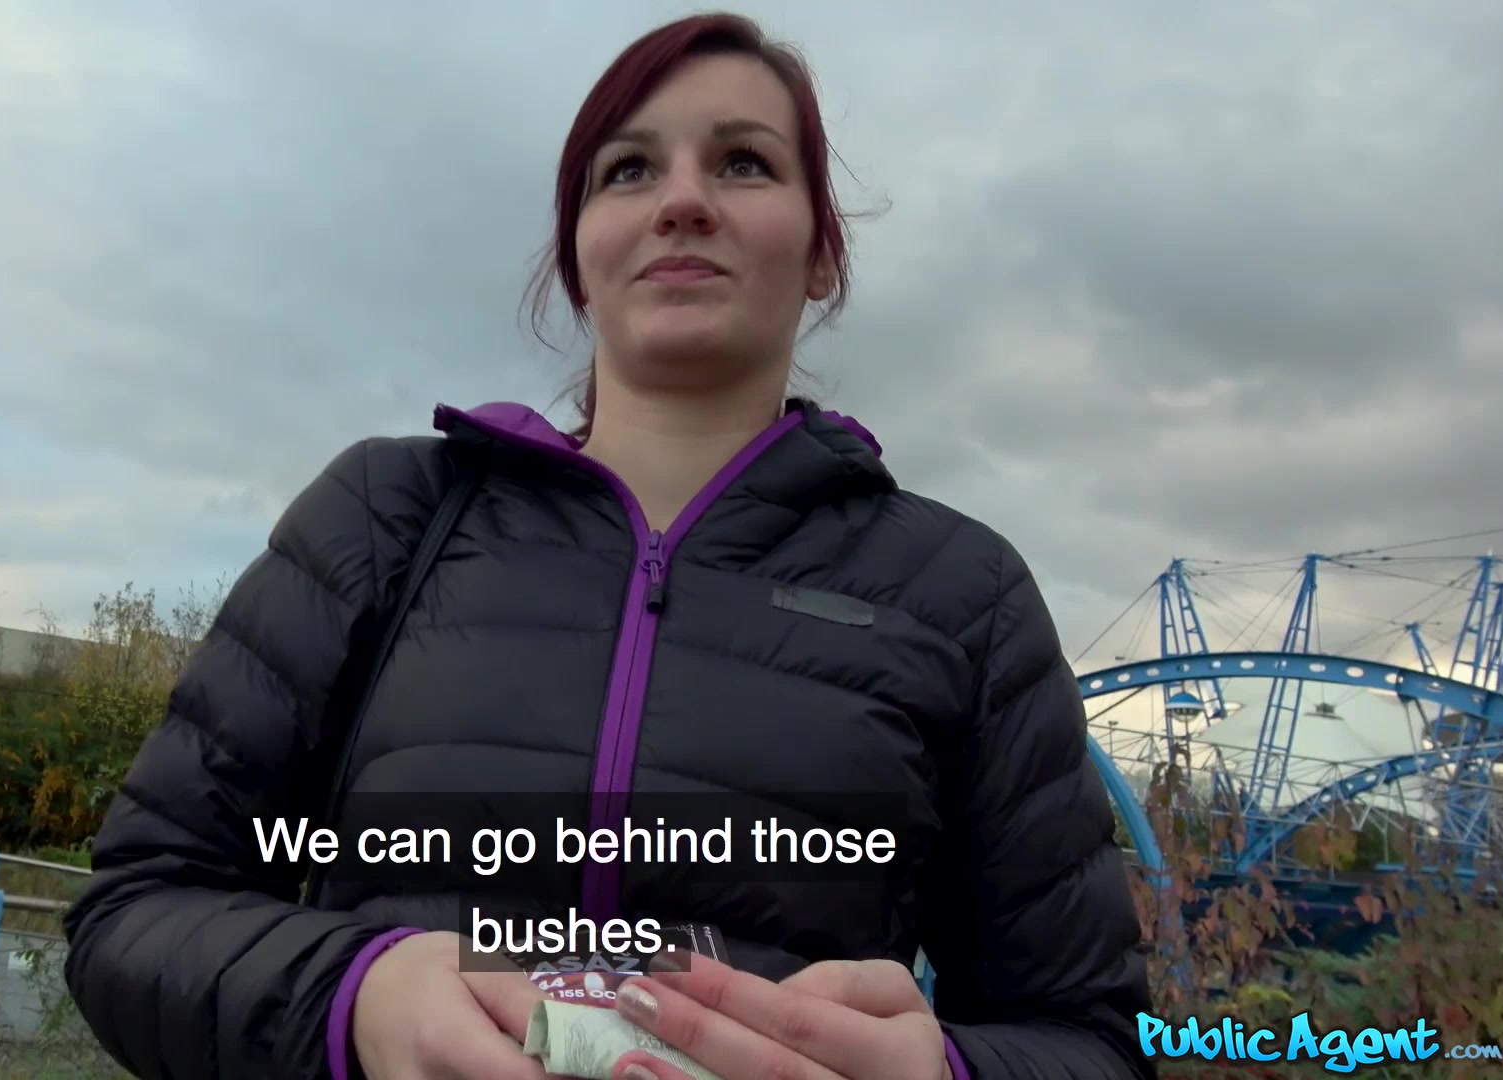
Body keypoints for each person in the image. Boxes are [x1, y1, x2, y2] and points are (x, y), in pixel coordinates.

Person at [63, 11, 1155, 1080]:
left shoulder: (963, 595)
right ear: (580, 257)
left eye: (742, 163)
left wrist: (941, 1070)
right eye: (628, 170)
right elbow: (136, 912)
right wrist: (358, 997)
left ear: (823, 252)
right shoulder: (387, 517)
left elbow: (1092, 1039)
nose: (682, 200)